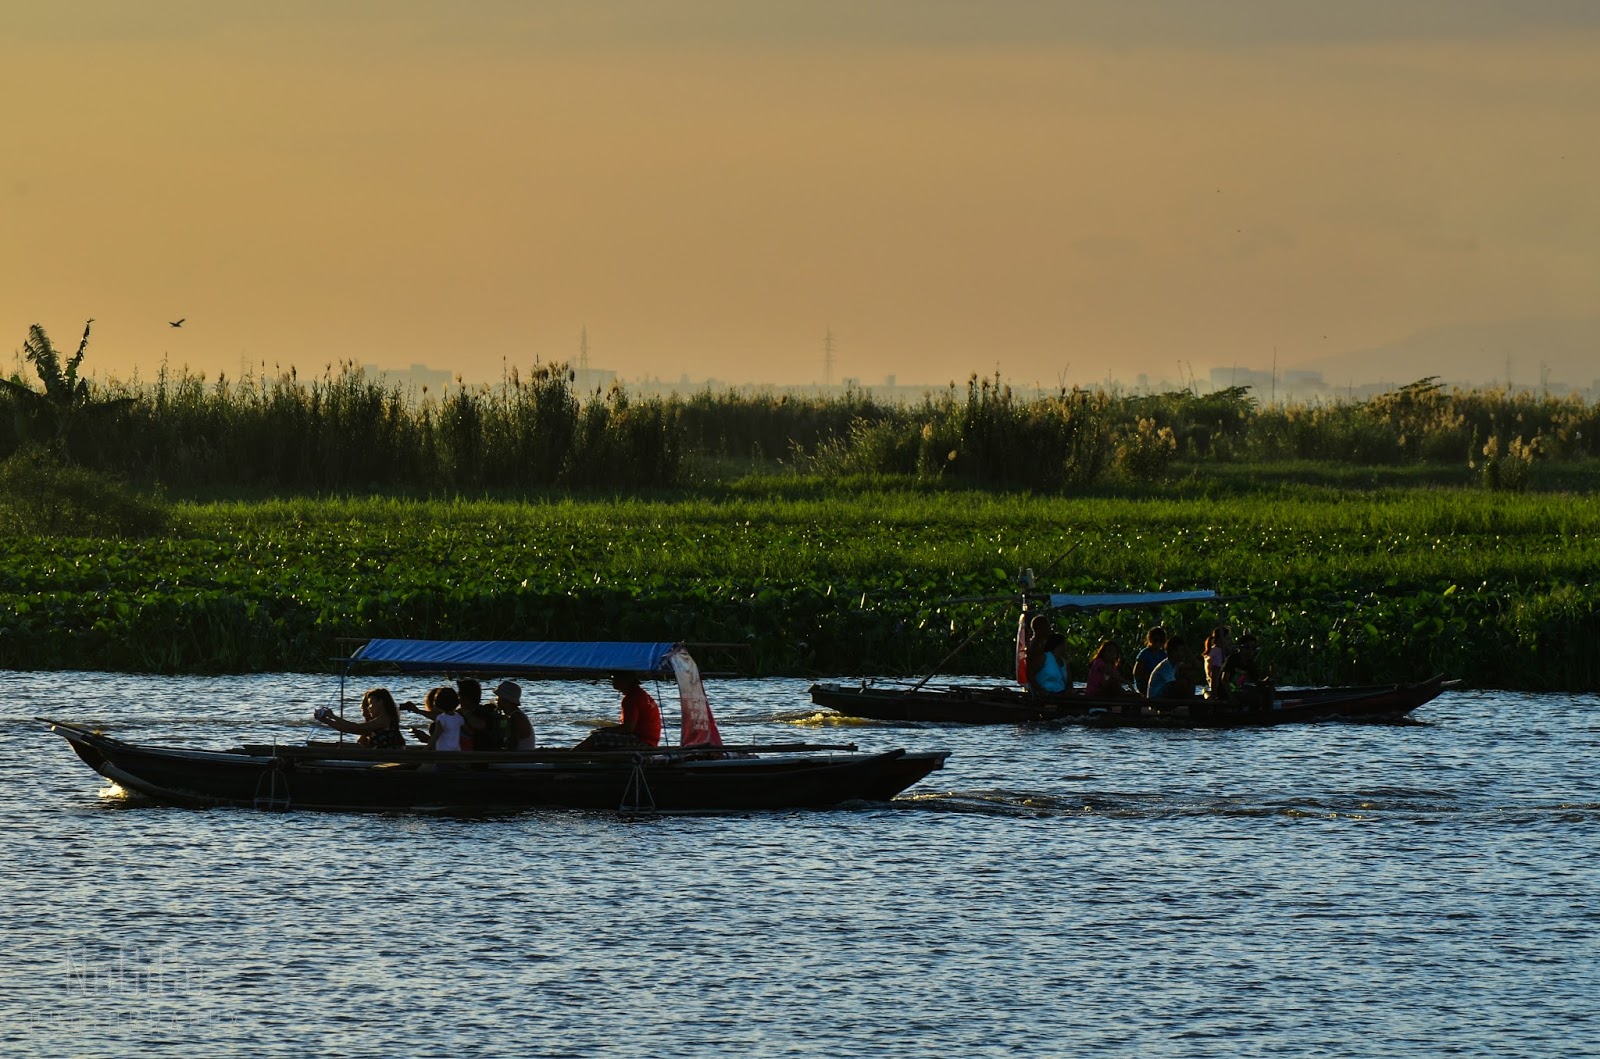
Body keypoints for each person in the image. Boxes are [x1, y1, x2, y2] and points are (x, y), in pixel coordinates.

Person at [314, 688, 407, 750]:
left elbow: (357, 728)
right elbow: (348, 729)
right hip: (378, 754)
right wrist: (326, 720)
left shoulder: (385, 719)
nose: (369, 708)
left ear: (381, 702)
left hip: (386, 756)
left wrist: (332, 716)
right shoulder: (380, 719)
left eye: (371, 704)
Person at [1219, 632, 1274, 708]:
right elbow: (1224, 680)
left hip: (1239, 691)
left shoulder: (1250, 663)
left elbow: (1258, 683)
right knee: (1252, 696)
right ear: (1240, 647)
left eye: (1253, 648)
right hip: (1226, 692)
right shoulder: (1233, 659)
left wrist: (1269, 677)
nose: (1250, 651)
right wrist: (1231, 697)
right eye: (1247, 648)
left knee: (1268, 690)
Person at [1025, 614, 1070, 695]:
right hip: (1044, 691)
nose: (1050, 628)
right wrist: (1041, 691)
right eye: (1047, 626)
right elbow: (1030, 673)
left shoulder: (1041, 642)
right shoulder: (1036, 645)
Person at [457, 677, 498, 751]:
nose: (458, 698)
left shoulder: (485, 712)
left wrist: (465, 712)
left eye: (460, 694)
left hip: (480, 754)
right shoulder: (458, 713)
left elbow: (481, 725)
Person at [493, 680, 536, 751]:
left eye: (498, 698)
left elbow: (511, 746)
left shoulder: (516, 717)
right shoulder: (515, 715)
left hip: (519, 760)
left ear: (506, 700)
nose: (497, 701)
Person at [1130, 626, 1168, 697]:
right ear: (1150, 639)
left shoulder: (1163, 654)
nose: (1158, 643)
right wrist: (1149, 676)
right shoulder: (1144, 653)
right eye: (1156, 640)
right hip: (1145, 682)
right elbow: (1136, 672)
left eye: (1161, 641)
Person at [1204, 625, 1234, 699]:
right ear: (1219, 640)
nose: (1230, 642)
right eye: (1227, 639)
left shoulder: (1213, 650)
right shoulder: (1217, 653)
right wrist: (1214, 695)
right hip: (1218, 689)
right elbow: (1215, 674)